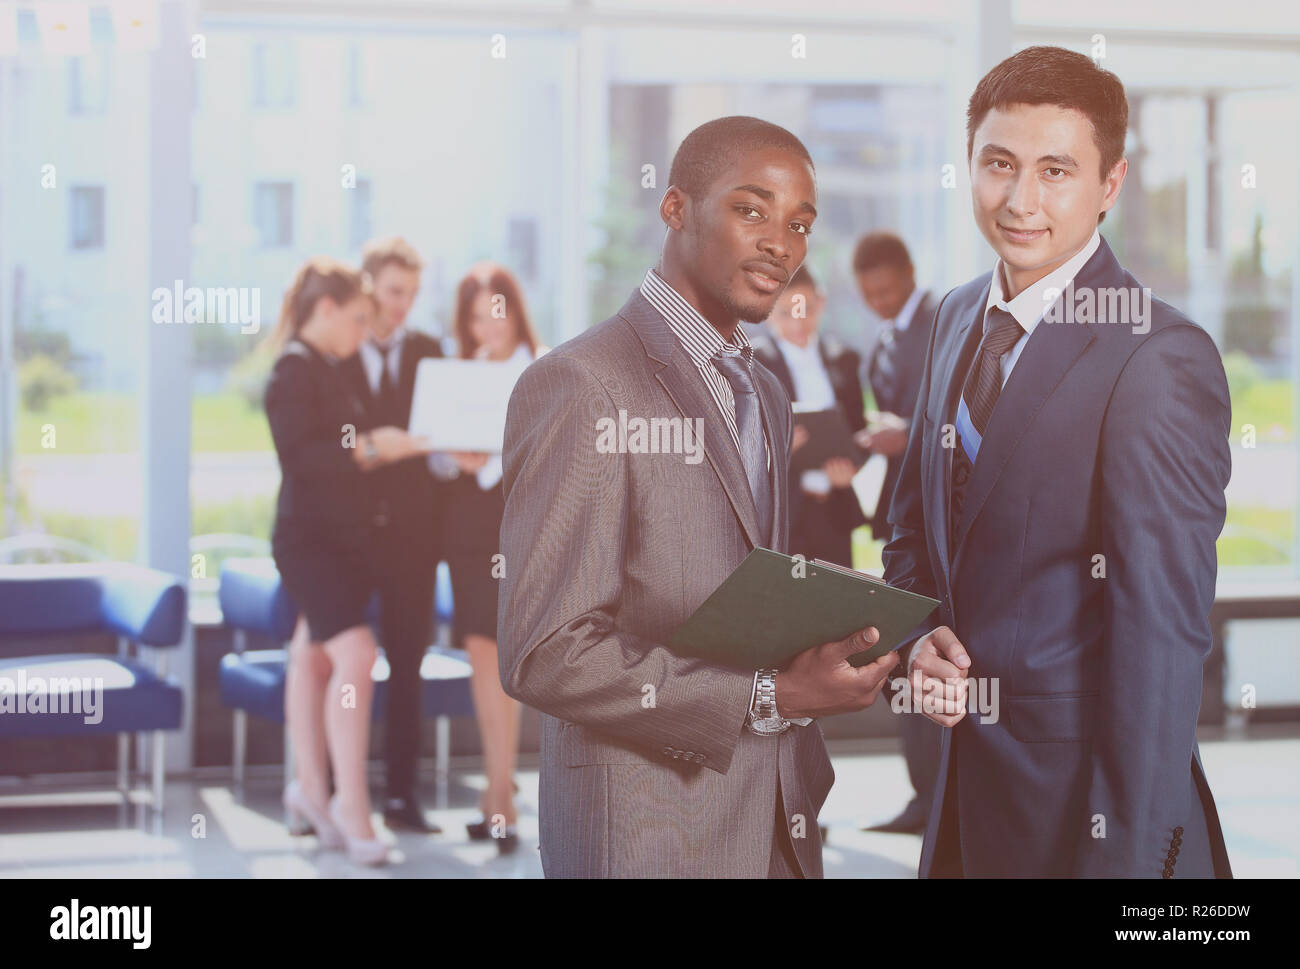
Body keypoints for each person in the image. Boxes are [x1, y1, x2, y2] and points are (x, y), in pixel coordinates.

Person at [498, 116, 899, 878]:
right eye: (752, 209)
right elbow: (544, 652)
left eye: (801, 223)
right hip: (649, 832)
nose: (781, 242)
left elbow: (759, 593)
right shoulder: (582, 384)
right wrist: (768, 694)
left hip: (779, 817)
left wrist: (894, 644)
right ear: (675, 208)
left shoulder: (766, 391)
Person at [884, 46, 1233, 877]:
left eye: (1055, 170)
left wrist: (1132, 870)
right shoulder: (954, 318)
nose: (1020, 200)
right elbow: (911, 536)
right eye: (998, 164)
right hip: (964, 810)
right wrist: (918, 633)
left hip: (1090, 827)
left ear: (1110, 184)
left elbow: (1162, 642)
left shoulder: (1156, 356)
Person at [266, 257, 433, 867]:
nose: (366, 332)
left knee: (313, 658)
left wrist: (401, 446)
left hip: (343, 543)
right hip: (310, 546)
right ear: (328, 310)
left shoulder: (331, 370)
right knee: (358, 656)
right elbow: (307, 459)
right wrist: (371, 449)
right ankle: (349, 802)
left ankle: (311, 790)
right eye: (359, 319)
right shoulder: (292, 372)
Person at [337, 237, 445, 833]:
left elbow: (438, 439)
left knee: (409, 664)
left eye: (413, 294)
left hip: (413, 538)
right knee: (342, 666)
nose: (403, 305)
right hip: (348, 538)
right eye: (395, 291)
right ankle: (334, 794)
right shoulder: (341, 352)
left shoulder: (430, 351)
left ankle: (402, 797)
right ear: (370, 284)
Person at [436, 262, 543, 855]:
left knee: (508, 656)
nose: (486, 328)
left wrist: (493, 459)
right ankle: (496, 790)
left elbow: (555, 448)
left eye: (494, 313)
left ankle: (502, 792)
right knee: (481, 653)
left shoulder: (543, 363)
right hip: (468, 528)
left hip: (520, 524)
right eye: (475, 318)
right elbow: (434, 452)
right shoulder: (460, 372)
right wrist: (457, 457)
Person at [851, 232, 942, 836]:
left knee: (928, 648)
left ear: (909, 273)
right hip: (900, 518)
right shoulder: (881, 342)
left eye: (887, 290)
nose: (880, 303)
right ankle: (927, 795)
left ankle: (938, 797)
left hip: (935, 518)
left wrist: (904, 433)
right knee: (905, 650)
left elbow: (948, 417)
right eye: (869, 295)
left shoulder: (946, 321)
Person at [753, 264, 866, 568]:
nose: (798, 323)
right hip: (782, 516)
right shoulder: (752, 365)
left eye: (807, 310)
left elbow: (858, 430)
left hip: (834, 509)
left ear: (821, 304)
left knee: (838, 608)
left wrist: (850, 466)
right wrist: (777, 451)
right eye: (785, 313)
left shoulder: (845, 360)